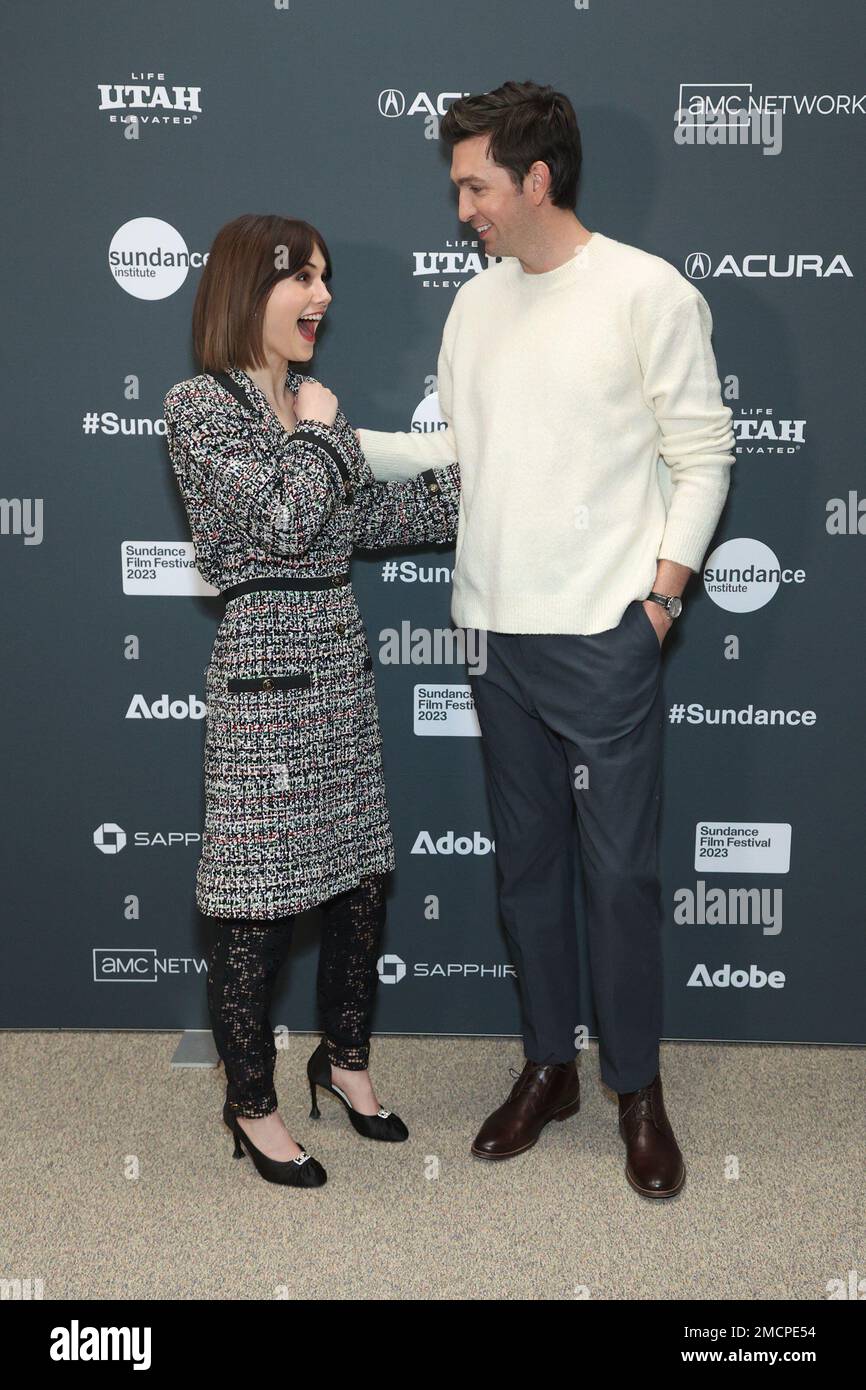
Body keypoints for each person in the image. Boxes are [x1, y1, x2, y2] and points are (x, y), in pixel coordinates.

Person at [356, 81, 735, 1198]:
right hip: (491, 633)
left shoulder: (644, 293)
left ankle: (637, 1088)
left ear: (536, 179)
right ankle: (547, 1067)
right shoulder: (476, 305)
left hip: (603, 636)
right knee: (526, 878)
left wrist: (658, 603)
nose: (461, 207)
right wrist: (328, 441)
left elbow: (701, 457)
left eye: (474, 186)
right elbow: (455, 453)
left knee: (617, 880)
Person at [162, 213, 459, 1188]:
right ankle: (250, 1103)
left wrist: (493, 474)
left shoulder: (302, 405)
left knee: (359, 886)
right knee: (252, 908)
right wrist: (325, 432)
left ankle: (346, 1062)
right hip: (262, 678)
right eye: (303, 277)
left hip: (337, 668)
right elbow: (288, 520)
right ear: (248, 286)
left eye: (328, 276)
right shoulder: (199, 407)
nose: (322, 296)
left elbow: (379, 514)